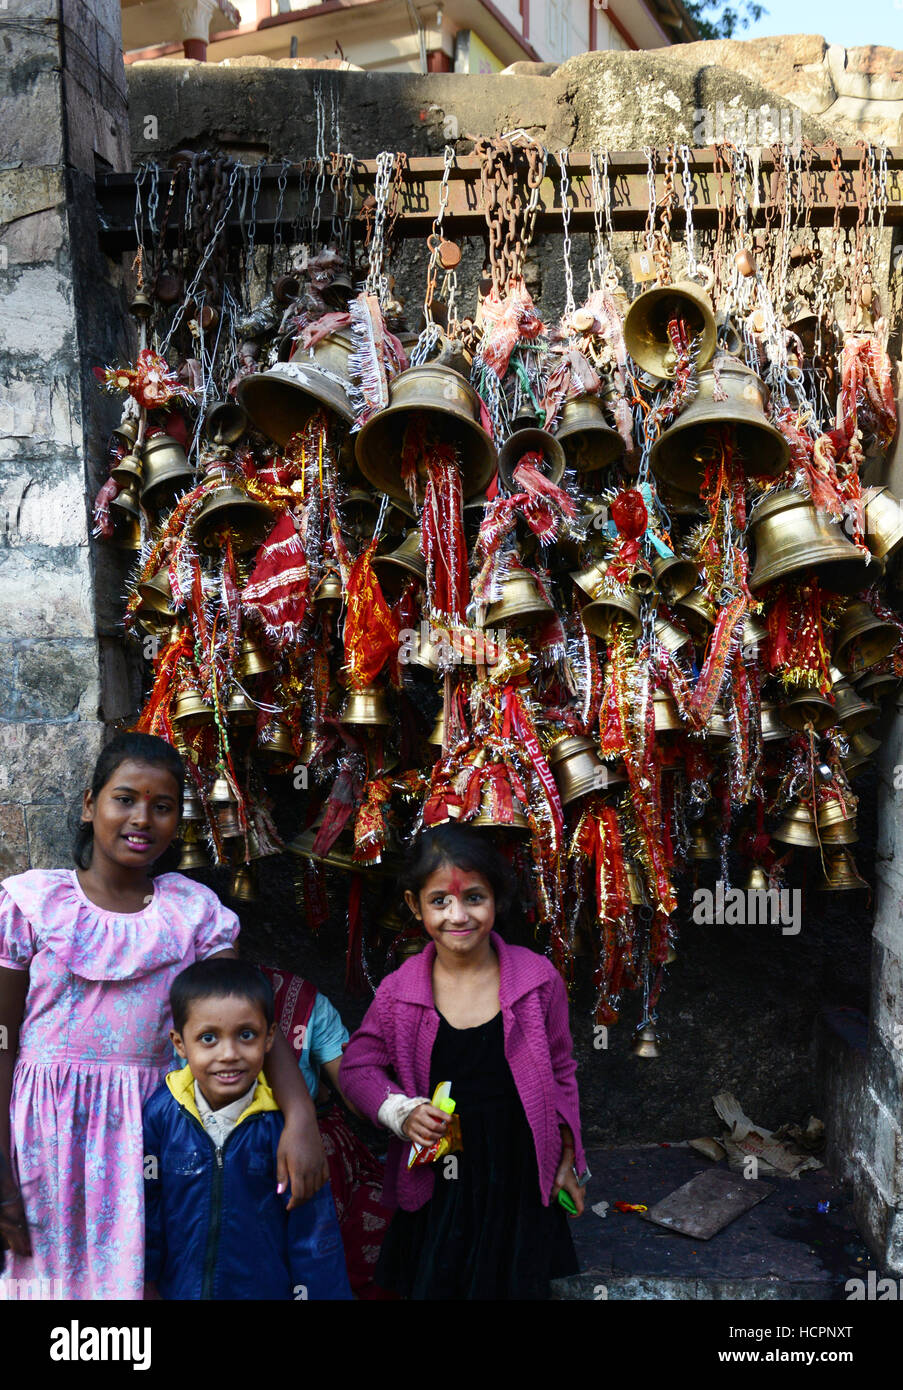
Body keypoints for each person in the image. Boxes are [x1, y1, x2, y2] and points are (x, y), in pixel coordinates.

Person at [0, 731, 327, 1299]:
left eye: (163, 805)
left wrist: (301, 1117)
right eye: (124, 798)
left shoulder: (194, 913)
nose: (141, 818)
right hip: (42, 1141)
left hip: (151, 1140)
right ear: (89, 804)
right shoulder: (32, 904)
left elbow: (243, 1012)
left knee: (140, 1283)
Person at [339, 822, 588, 1300]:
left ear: (496, 897)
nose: (459, 915)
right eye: (440, 902)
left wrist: (567, 1158)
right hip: (442, 1181)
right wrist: (401, 1112)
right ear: (414, 905)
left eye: (474, 897)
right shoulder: (400, 993)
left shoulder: (538, 981)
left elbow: (562, 1071)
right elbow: (357, 1068)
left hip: (517, 1177)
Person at [143, 958, 352, 1300]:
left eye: (246, 1035)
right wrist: (147, 1283)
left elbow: (313, 1236)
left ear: (269, 1038)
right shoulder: (162, 1115)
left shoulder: (283, 1130)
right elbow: (148, 1210)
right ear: (180, 1044)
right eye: (208, 1038)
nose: (229, 1054)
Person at [261, 964, 397, 1299]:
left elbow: (352, 1091)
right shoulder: (175, 996)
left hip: (315, 1136)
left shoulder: (302, 1001)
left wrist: (388, 1096)